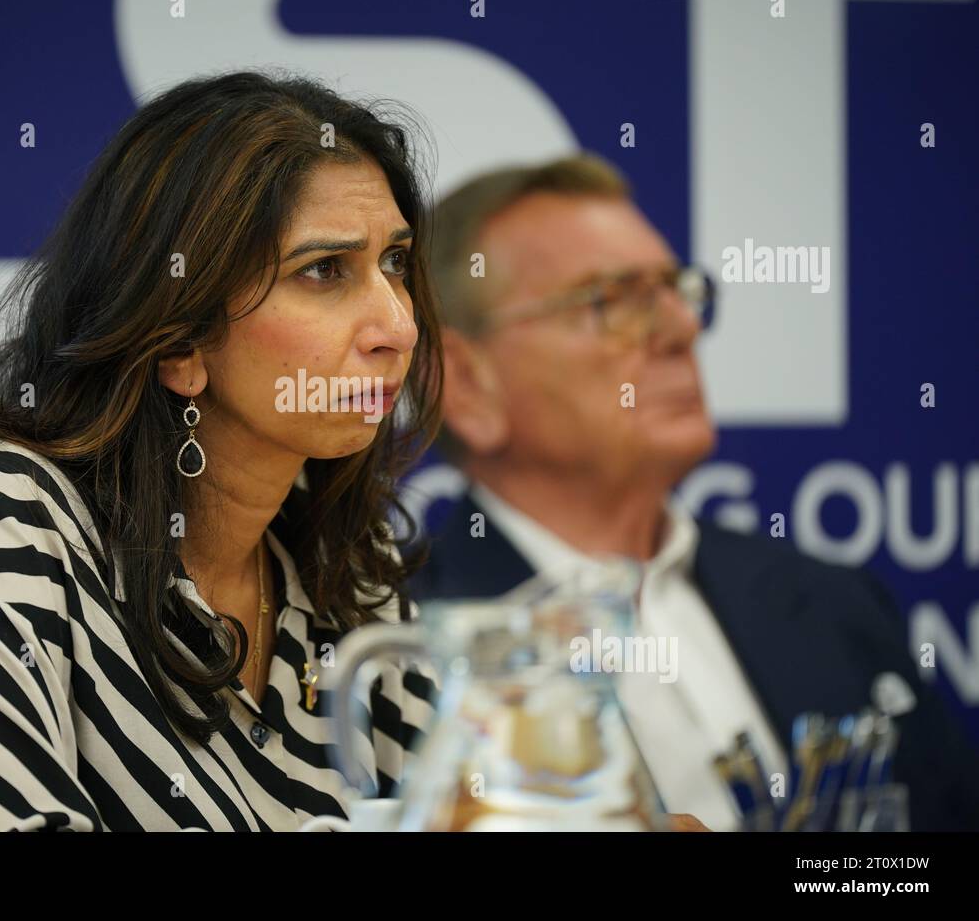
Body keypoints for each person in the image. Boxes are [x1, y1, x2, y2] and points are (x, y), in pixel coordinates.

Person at [0, 71, 443, 831]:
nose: (399, 326)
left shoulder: (349, 573)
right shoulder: (12, 516)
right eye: (324, 271)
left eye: (395, 263)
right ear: (181, 342)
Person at [410, 153, 979, 831]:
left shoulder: (833, 602)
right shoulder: (410, 650)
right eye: (610, 301)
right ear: (468, 385)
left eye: (676, 288)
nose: (683, 328)